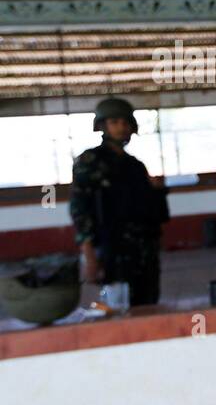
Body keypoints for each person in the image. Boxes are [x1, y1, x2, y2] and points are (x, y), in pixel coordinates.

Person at [70, 97, 169, 306]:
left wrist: (156, 191)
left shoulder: (135, 165)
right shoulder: (90, 161)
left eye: (125, 123)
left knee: (148, 307)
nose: (121, 128)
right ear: (102, 126)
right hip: (112, 251)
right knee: (118, 311)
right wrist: (89, 255)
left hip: (143, 253)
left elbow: (152, 212)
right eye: (114, 122)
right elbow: (80, 209)